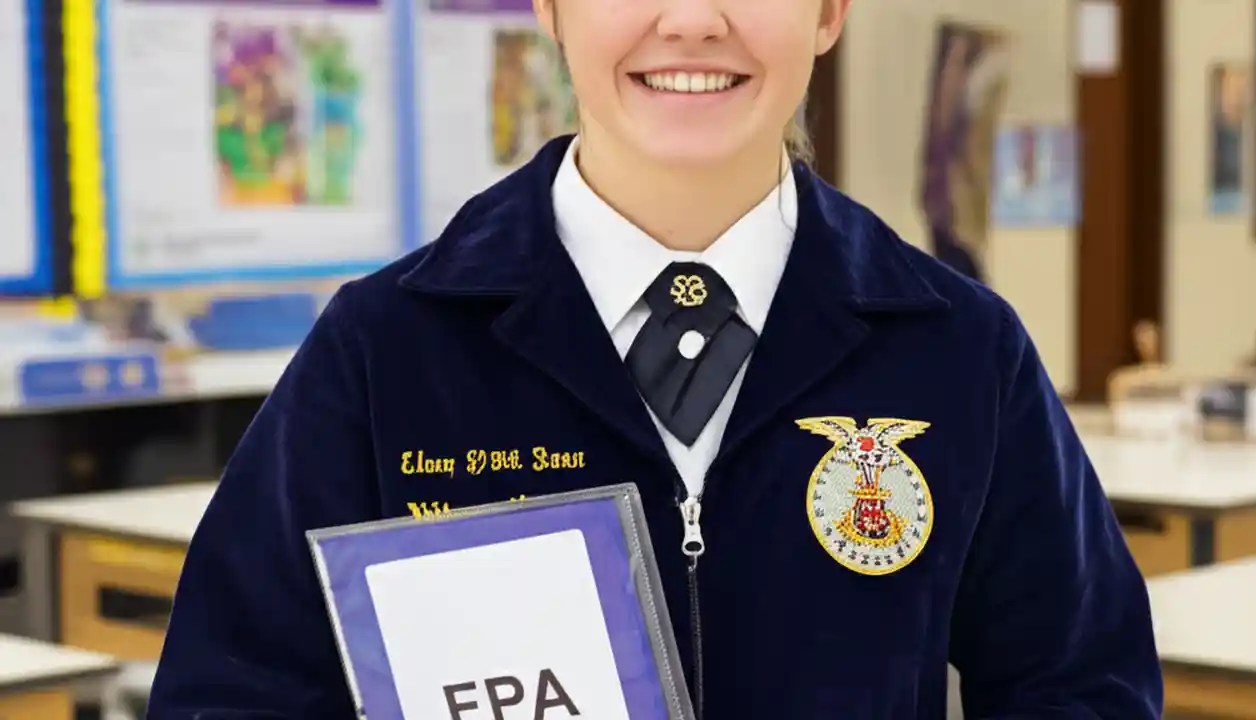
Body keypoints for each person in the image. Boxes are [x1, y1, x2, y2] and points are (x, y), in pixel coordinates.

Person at [148, 0, 1163, 717]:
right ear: (548, 6)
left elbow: (1078, 686)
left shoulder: (955, 350)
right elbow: (233, 695)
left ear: (828, 10)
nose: (689, 19)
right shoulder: (385, 350)